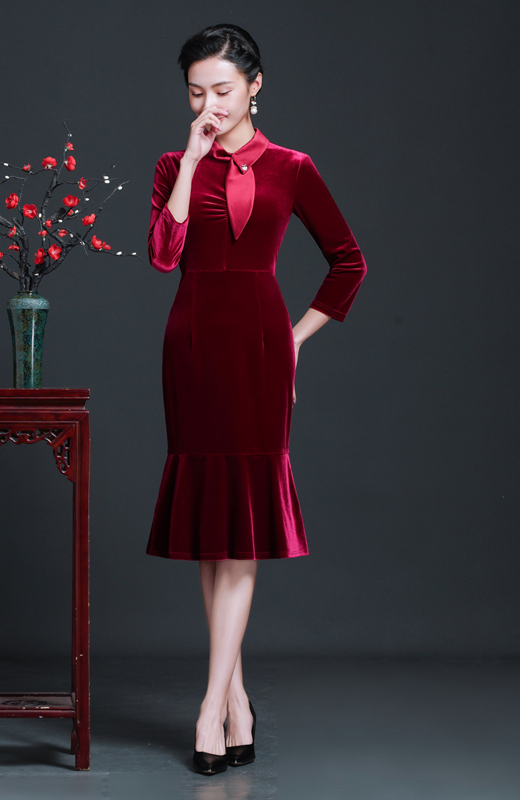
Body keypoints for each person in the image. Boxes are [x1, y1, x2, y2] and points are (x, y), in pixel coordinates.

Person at [145, 23, 367, 775]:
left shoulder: (292, 167)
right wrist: (192, 161)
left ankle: (211, 707)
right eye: (195, 93)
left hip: (261, 349)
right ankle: (237, 701)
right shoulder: (174, 163)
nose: (208, 105)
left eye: (222, 90)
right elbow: (163, 256)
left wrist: (295, 338)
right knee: (211, 522)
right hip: (191, 345)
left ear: (255, 85)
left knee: (242, 523)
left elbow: (348, 262)